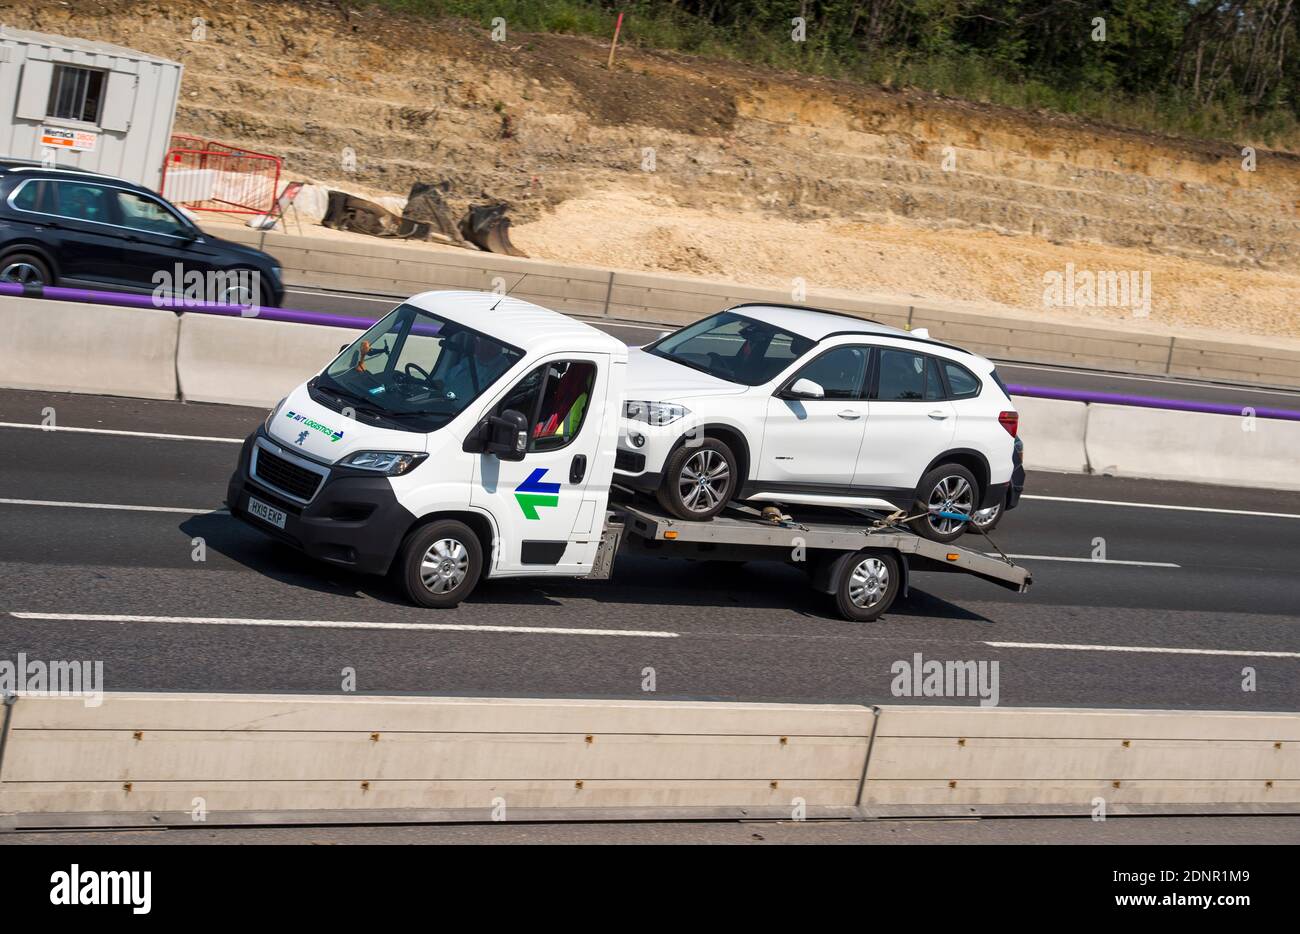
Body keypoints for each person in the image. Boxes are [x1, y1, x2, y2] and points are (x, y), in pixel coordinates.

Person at [439, 334, 512, 402]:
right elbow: (446, 380)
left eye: (479, 339)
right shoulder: (469, 361)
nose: (475, 342)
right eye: (475, 339)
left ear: (493, 344)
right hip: (443, 402)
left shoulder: (505, 372)